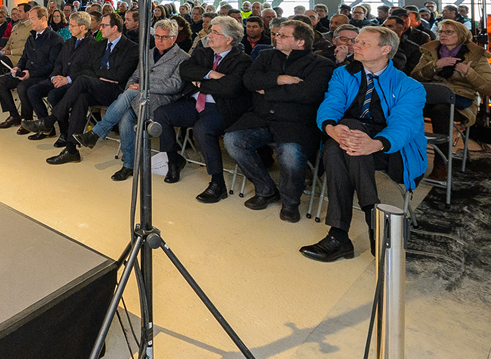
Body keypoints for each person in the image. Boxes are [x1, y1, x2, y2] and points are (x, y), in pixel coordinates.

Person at [300, 26, 426, 262]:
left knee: (339, 148)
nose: (354, 46)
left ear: (385, 50)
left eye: (363, 43)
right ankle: (374, 221)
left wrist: (375, 144)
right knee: (345, 136)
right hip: (347, 138)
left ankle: (339, 236)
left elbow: (404, 126)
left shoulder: (409, 86)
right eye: (356, 42)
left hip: (389, 147)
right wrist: (331, 128)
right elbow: (331, 105)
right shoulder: (343, 74)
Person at [226, 20, 335, 221]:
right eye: (277, 34)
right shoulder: (266, 56)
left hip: (296, 123)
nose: (277, 38)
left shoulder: (321, 64)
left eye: (283, 36)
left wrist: (266, 90)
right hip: (261, 118)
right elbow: (249, 81)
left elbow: (308, 93)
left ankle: (290, 202)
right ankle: (266, 189)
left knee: (290, 153)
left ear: (301, 42)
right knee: (233, 140)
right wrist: (280, 80)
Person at [152, 16, 252, 203]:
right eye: (211, 31)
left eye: (215, 32)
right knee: (161, 113)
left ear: (229, 39)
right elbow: (185, 70)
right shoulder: (203, 53)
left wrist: (200, 83)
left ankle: (217, 182)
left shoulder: (242, 60)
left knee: (203, 129)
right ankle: (173, 161)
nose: (210, 35)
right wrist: (210, 74)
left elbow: (230, 88)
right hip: (194, 103)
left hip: (220, 107)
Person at [75, 19, 189, 181]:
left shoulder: (182, 58)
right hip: (138, 98)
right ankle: (128, 164)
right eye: (156, 36)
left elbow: (174, 85)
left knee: (128, 96)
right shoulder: (149, 53)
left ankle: (96, 133)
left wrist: (142, 87)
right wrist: (131, 86)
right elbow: (134, 76)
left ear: (174, 37)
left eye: (164, 37)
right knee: (126, 114)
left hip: (162, 102)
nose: (159, 40)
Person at [34, 12, 139, 165]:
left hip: (116, 92)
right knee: (81, 97)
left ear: (115, 28)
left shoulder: (131, 48)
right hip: (97, 86)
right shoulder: (100, 44)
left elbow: (120, 76)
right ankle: (71, 150)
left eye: (104, 25)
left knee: (82, 81)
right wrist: (101, 74)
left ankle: (51, 119)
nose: (100, 28)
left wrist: (99, 74)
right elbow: (90, 68)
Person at [411, 18, 491, 180]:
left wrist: (468, 73)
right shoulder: (431, 50)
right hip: (431, 96)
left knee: (441, 111)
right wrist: (435, 66)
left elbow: (487, 87)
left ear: (460, 35)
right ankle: (406, 157)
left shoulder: (476, 55)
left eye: (449, 32)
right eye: (441, 31)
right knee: (406, 107)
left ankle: (441, 166)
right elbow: (414, 76)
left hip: (462, 100)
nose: (443, 35)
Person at [0, 6, 64, 130]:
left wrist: (30, 74)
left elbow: (53, 65)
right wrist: (18, 67)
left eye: (33, 19)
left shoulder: (55, 39)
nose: (30, 22)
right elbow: (24, 57)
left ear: (43, 19)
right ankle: (14, 115)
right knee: (0, 81)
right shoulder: (31, 37)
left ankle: (27, 119)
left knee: (23, 86)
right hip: (26, 72)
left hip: (42, 75)